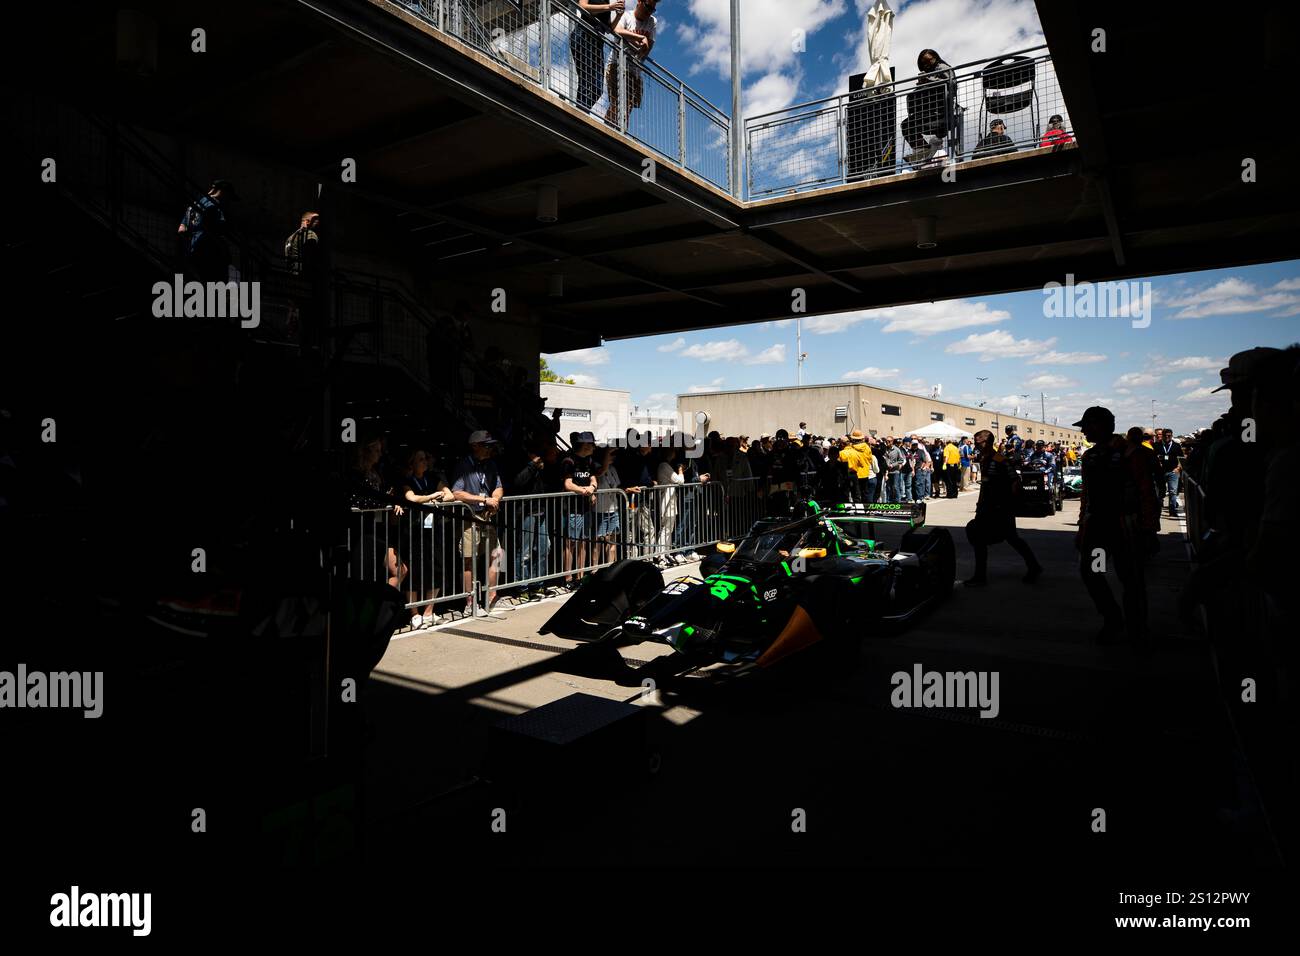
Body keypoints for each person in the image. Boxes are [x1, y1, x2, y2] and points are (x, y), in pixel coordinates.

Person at [1075, 407, 1158, 644]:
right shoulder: (1089, 456)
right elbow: (1086, 496)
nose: (1083, 430)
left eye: (1087, 425)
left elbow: (1147, 492)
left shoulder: (1131, 453)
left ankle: (1137, 629)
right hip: (1098, 528)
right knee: (1092, 572)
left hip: (1126, 528)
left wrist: (1149, 528)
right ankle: (1112, 618)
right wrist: (1082, 527)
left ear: (1102, 425)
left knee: (1130, 579)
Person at [964, 429, 1042, 587]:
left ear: (985, 442)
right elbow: (985, 485)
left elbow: (1014, 479)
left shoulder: (999, 458)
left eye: (977, 442)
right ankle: (980, 576)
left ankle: (1033, 566)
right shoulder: (984, 459)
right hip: (986, 508)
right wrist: (980, 505)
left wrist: (1007, 503)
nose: (975, 445)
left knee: (1011, 538)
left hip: (1000, 508)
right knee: (980, 536)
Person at [451, 430, 506, 618]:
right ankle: (470, 601)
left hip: (488, 517)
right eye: (486, 445)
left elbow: (498, 486)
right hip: (470, 518)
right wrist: (483, 500)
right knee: (469, 559)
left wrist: (495, 499)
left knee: (498, 554)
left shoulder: (491, 464)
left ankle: (493, 596)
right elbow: (456, 493)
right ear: (475, 446)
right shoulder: (463, 465)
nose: (490, 449)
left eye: (491, 445)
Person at [402, 449, 455, 628]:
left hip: (434, 530)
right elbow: (412, 498)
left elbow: (449, 494)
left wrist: (441, 497)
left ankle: (428, 611)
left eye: (426, 458)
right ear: (412, 463)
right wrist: (431, 497)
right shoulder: (407, 481)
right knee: (415, 570)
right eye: (421, 459)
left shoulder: (432, 478)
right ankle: (414, 613)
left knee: (437, 567)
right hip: (414, 531)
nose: (425, 462)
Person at [604, 0, 658, 128]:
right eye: (647, 7)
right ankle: (609, 128)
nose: (649, 11)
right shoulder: (626, 16)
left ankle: (621, 131)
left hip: (635, 69)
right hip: (617, 64)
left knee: (628, 106)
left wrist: (641, 46)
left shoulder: (652, 22)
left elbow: (648, 47)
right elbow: (616, 29)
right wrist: (638, 38)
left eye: (652, 9)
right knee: (616, 101)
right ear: (639, 2)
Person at [901, 49, 955, 166]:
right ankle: (923, 150)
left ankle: (924, 150)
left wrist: (928, 80)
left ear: (935, 57)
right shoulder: (930, 73)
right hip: (928, 113)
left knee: (908, 125)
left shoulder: (941, 67)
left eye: (928, 61)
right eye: (923, 64)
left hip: (941, 113)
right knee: (906, 125)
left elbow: (950, 82)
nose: (926, 65)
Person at [178, 179, 237, 281]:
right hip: (209, 251)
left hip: (192, 249)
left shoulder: (196, 204)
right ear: (223, 192)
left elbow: (181, 229)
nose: (229, 201)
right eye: (229, 197)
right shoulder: (216, 207)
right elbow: (220, 229)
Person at [561, 432, 599, 585]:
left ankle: (580, 575)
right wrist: (584, 491)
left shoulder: (589, 460)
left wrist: (592, 487)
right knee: (571, 542)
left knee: (583, 541)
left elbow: (594, 478)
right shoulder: (569, 461)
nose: (594, 447)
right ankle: (568, 578)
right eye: (591, 444)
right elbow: (568, 484)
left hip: (585, 507)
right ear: (584, 445)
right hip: (572, 508)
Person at [573, 2, 625, 111]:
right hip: (583, 35)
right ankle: (579, 115)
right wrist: (609, 7)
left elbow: (609, 28)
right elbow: (583, 6)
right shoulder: (608, 5)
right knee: (586, 82)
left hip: (597, 43)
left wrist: (618, 15)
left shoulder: (606, 2)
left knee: (597, 88)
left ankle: (581, 111)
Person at [1153, 428, 1183, 517]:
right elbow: (1153, 458)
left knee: (1172, 492)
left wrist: (1178, 468)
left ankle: (1172, 511)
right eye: (1165, 435)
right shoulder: (1156, 445)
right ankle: (1157, 510)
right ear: (1162, 436)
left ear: (1172, 435)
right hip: (1160, 472)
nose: (1167, 437)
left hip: (1173, 472)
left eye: (1169, 435)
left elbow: (1181, 458)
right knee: (1160, 493)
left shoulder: (1176, 446)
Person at [839, 430, 874, 506]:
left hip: (854, 474)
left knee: (855, 494)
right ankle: (866, 508)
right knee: (865, 493)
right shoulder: (867, 447)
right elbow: (870, 460)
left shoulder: (851, 448)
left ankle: (855, 508)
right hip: (865, 473)